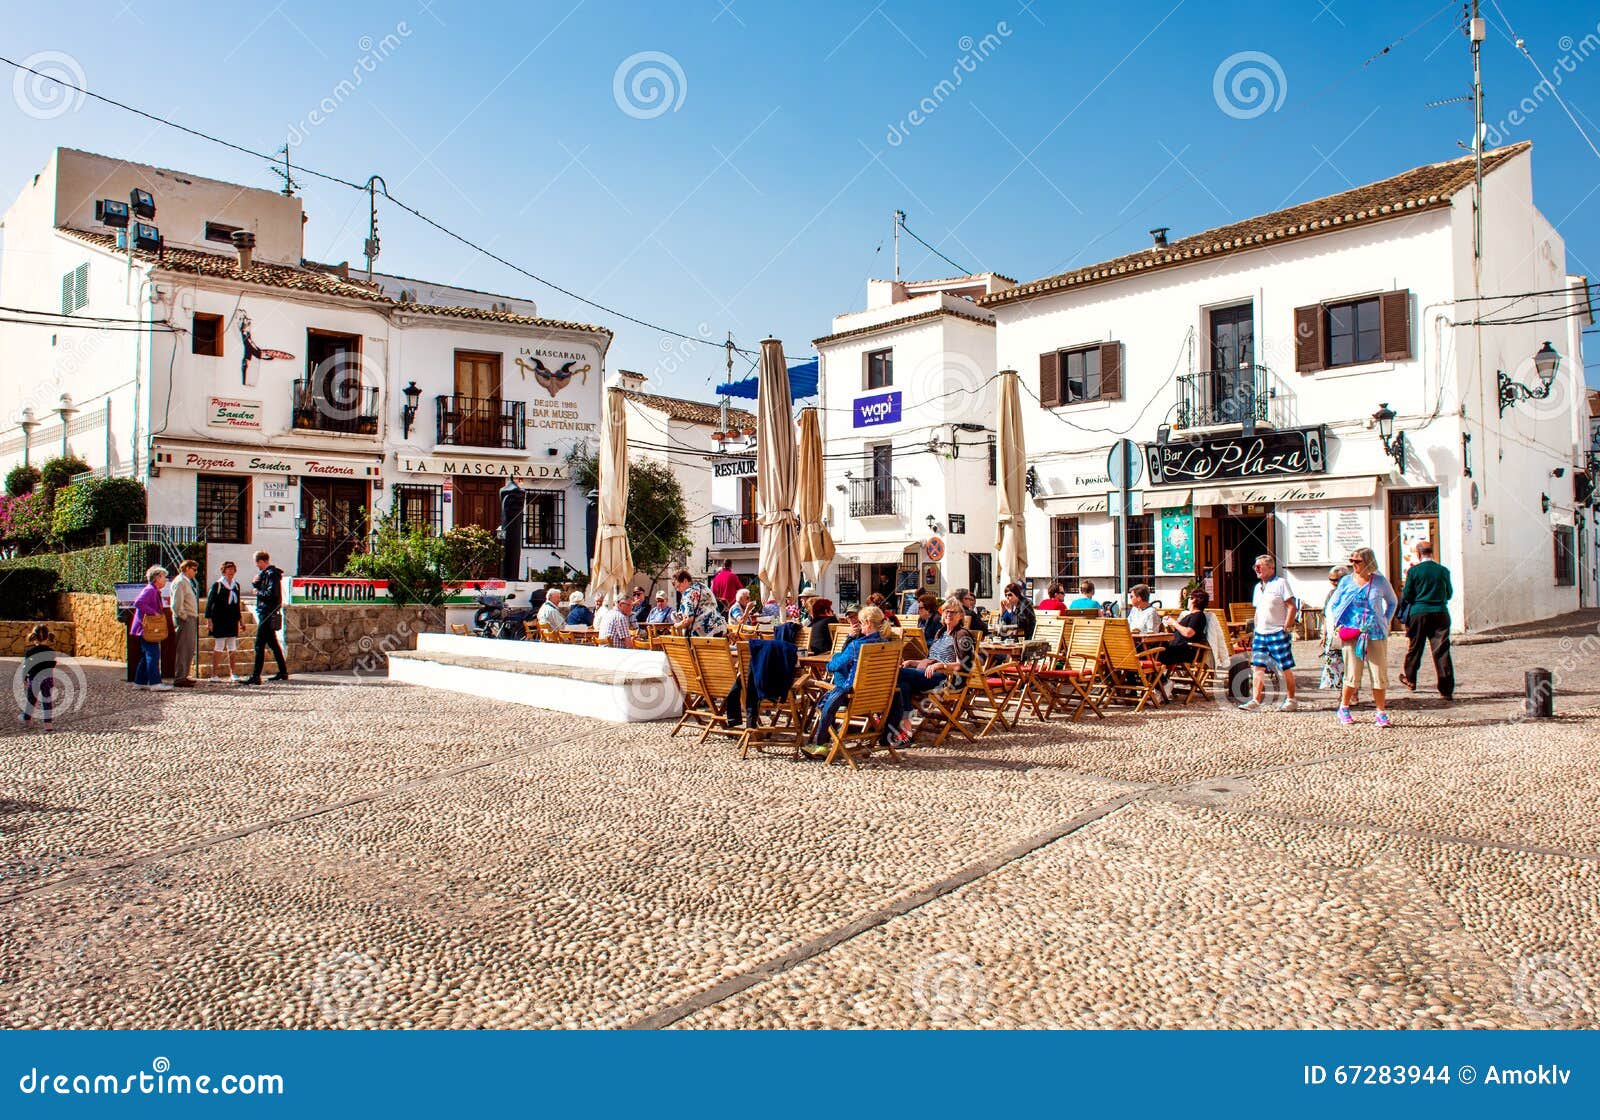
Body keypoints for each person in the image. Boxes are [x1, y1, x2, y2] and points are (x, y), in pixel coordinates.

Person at [1327, 546, 1399, 727]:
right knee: (1352, 674)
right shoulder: (1345, 582)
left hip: (1375, 633)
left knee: (1378, 673)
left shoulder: (1380, 582)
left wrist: (1385, 620)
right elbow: (1334, 605)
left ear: (1368, 562)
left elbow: (1392, 601)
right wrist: (1338, 624)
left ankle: (1381, 712)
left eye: (1357, 561)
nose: (1353, 564)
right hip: (1352, 634)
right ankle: (1344, 707)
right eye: (1351, 561)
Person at [890, 598, 977, 744]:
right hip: (927, 673)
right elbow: (931, 659)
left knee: (895, 673)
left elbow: (963, 665)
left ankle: (885, 720)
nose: (949, 614)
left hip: (945, 679)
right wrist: (912, 662)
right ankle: (907, 731)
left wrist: (941, 666)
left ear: (960, 615)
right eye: (946, 611)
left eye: (953, 612)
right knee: (902, 686)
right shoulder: (941, 632)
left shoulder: (962, 634)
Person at [808, 604, 887, 752]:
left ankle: (822, 744)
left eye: (862, 622)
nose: (860, 626)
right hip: (879, 697)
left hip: (854, 698)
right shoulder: (888, 645)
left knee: (832, 684)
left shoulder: (857, 645)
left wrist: (830, 664)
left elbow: (833, 666)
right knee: (841, 665)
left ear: (868, 623)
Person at [1240, 554, 1298, 712]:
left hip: (1277, 631)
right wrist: (1255, 628)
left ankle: (1291, 699)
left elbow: (1292, 606)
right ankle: (1256, 700)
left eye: (1260, 566)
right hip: (1260, 633)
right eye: (1255, 566)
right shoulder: (1257, 588)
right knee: (1257, 667)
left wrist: (1287, 626)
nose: (1256, 569)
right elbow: (1258, 610)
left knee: (1284, 666)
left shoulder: (1281, 583)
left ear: (1271, 567)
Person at [1398, 540, 1455, 700]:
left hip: (1419, 613)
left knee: (1415, 647)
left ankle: (1410, 678)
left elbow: (1408, 594)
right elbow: (1449, 593)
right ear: (1432, 552)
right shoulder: (1443, 570)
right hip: (1440, 612)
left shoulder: (1414, 571)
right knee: (1442, 651)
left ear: (1418, 553)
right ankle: (1446, 689)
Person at [1156, 589, 1226, 699]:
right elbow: (1180, 632)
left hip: (1185, 651)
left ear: (1195, 600)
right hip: (1176, 647)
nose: (1187, 600)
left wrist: (1174, 623)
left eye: (1190, 598)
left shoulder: (1198, 616)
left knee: (1151, 656)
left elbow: (1188, 633)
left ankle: (1163, 683)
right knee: (1145, 652)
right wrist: (1169, 626)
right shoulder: (1188, 615)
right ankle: (1161, 684)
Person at [244, 550, 287, 684]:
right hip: (268, 611)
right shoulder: (268, 574)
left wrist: (258, 592)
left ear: (262, 561)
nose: (257, 566)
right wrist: (256, 584)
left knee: (259, 644)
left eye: (257, 563)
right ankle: (283, 671)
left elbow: (272, 594)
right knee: (273, 643)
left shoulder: (271, 574)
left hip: (267, 612)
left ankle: (256, 675)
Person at [131, 564, 173, 692]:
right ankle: (155, 682)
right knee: (153, 655)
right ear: (156, 578)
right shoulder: (150, 590)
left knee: (147, 655)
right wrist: (153, 613)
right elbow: (138, 602)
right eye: (163, 577)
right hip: (147, 628)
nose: (165, 580)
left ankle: (139, 682)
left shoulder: (153, 590)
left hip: (145, 628)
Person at [204, 560, 245, 681]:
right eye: (228, 569)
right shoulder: (218, 585)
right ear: (224, 571)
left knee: (232, 646)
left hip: (232, 619)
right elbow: (210, 603)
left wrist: (241, 621)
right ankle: (214, 673)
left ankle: (233, 672)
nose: (231, 571)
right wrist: (209, 620)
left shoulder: (236, 585)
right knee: (219, 645)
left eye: (232, 569)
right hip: (220, 619)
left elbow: (236, 605)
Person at [19, 623, 56, 730]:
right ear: (47, 636)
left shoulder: (30, 652)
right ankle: (48, 724)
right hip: (47, 679)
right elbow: (51, 667)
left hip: (34, 678)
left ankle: (27, 720)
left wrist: (24, 678)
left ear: (33, 636)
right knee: (47, 700)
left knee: (31, 700)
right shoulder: (51, 652)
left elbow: (25, 667)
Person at [1318, 566, 1349, 693]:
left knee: (1348, 663)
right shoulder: (1331, 594)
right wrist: (1324, 634)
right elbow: (1325, 615)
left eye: (1336, 580)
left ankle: (1349, 693)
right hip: (1332, 635)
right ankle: (1340, 691)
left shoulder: (1349, 592)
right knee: (1333, 663)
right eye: (1331, 579)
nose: (1333, 582)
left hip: (1346, 633)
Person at [171, 558, 201, 686]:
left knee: (188, 648)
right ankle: (180, 676)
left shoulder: (186, 582)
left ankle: (184, 674)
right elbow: (177, 604)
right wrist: (184, 616)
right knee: (183, 648)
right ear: (187, 568)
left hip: (190, 617)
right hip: (186, 618)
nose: (195, 572)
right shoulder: (181, 582)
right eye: (194, 569)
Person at [671, 568, 726, 637]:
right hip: (719, 627)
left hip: (704, 634)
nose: (678, 590)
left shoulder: (688, 594)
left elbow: (689, 619)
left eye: (678, 586)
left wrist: (677, 625)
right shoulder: (702, 586)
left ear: (685, 581)